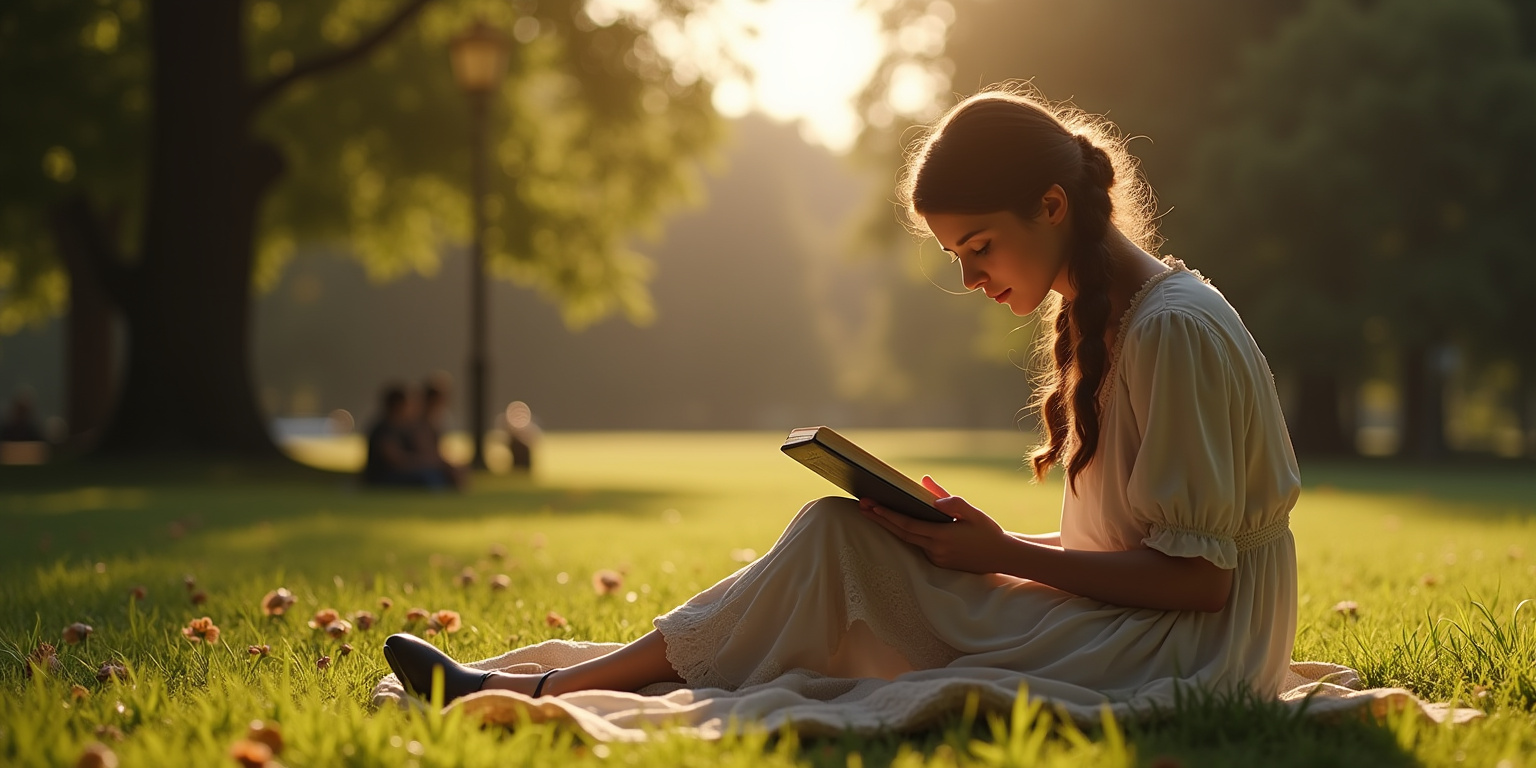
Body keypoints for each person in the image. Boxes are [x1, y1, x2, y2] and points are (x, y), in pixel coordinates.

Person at [382, 88, 1300, 712]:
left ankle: (547, 694)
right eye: (957, 259)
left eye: (979, 247)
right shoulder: (1110, 318)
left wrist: (1001, 554)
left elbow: (1202, 581)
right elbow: (1136, 552)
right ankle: (580, 683)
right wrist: (979, 544)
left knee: (835, 543)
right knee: (845, 532)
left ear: (1052, 205)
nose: (971, 277)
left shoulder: (1167, 329)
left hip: (1188, 655)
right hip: (1139, 622)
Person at [363, 383, 450, 489]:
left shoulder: (404, 428)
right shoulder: (384, 430)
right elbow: (396, 460)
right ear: (398, 406)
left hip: (397, 473)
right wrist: (429, 463)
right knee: (428, 477)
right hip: (383, 477)